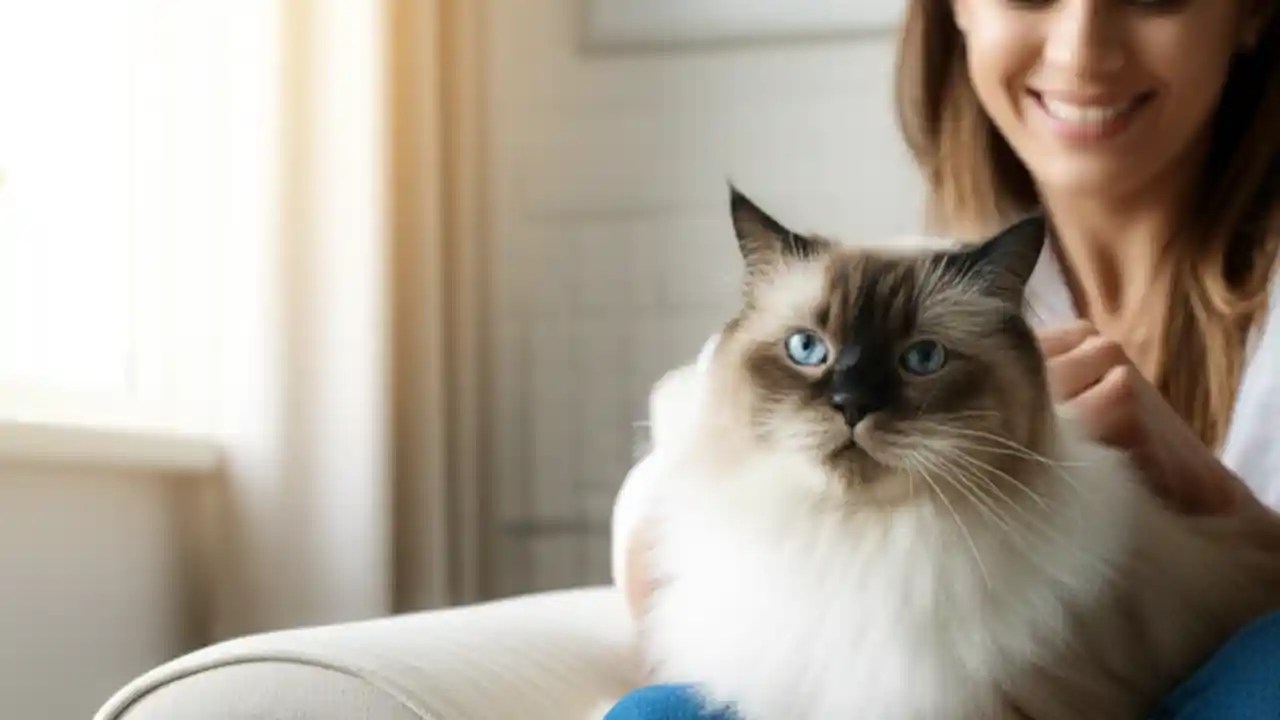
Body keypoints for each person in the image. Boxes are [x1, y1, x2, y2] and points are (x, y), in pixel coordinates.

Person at [605, 0, 1280, 718]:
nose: (1083, 53)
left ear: (1251, 12)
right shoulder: (884, 279)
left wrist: (1224, 506)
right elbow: (652, 545)